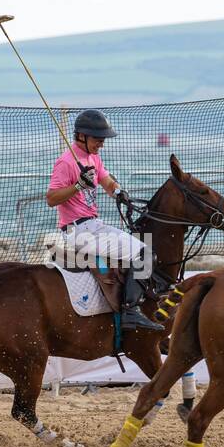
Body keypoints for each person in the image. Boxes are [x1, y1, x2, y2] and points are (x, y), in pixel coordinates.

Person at [45, 109, 161, 331]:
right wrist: (78, 185)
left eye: (102, 140)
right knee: (145, 253)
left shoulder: (93, 158)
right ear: (82, 136)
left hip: (93, 225)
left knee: (144, 243)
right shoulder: (66, 162)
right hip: (77, 230)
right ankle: (129, 311)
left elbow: (107, 182)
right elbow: (51, 199)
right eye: (98, 140)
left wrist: (119, 192)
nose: (101, 144)